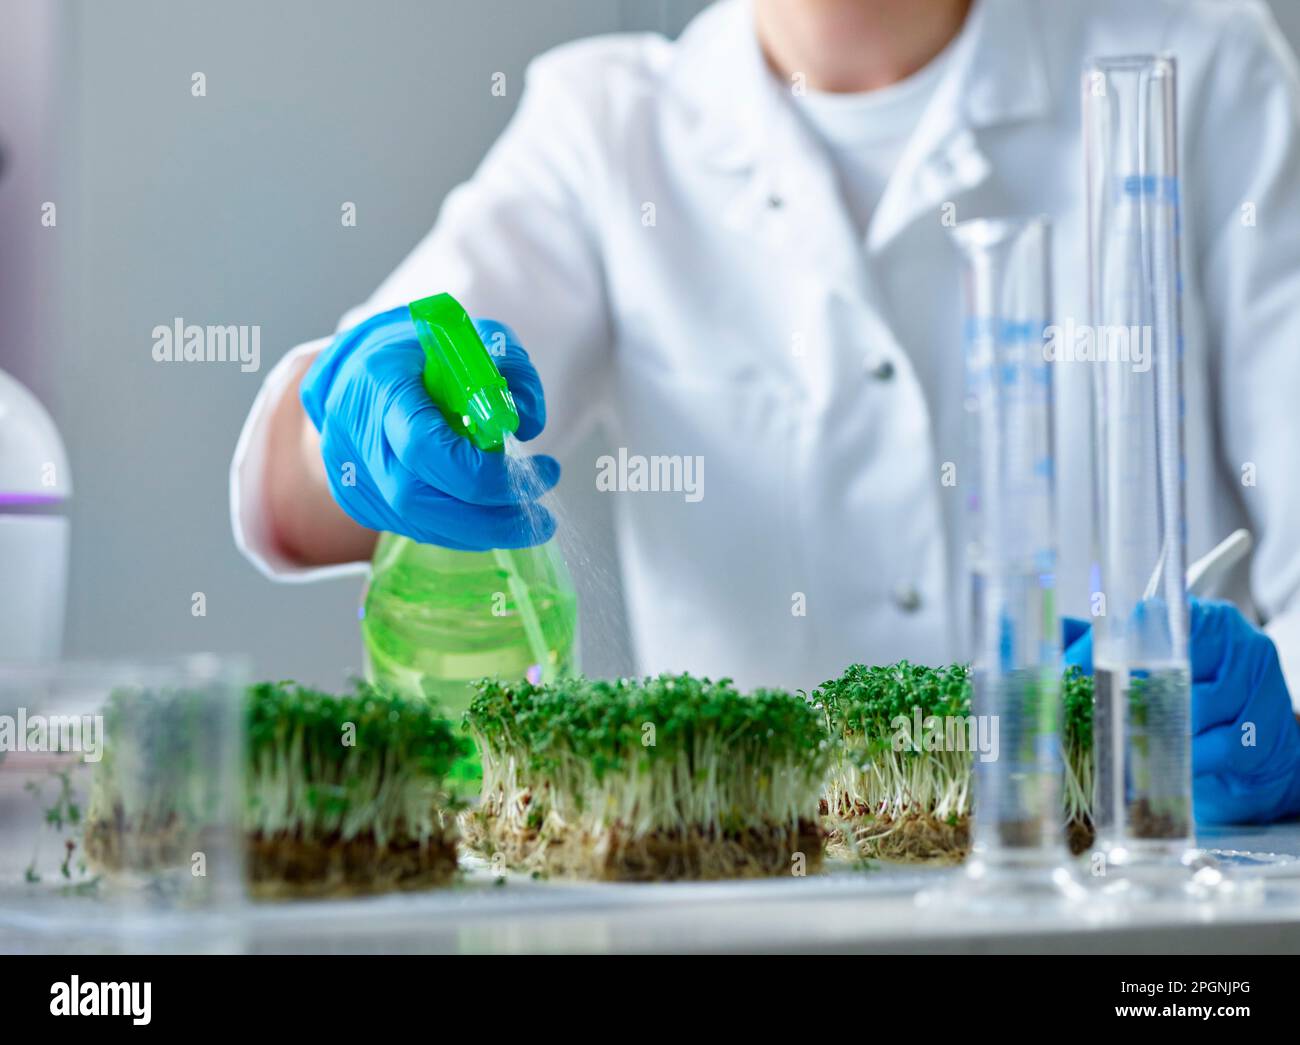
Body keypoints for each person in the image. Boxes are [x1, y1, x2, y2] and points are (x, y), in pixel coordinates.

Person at [231, 0, 1300, 823]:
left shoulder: (1199, 66)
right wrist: (363, 419)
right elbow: (294, 503)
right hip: (759, 913)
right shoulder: (612, 128)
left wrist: (1275, 713)